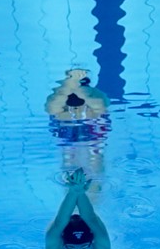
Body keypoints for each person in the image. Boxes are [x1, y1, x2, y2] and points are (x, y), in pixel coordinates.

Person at [45, 69, 111, 201]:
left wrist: (77, 87)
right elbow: (51, 108)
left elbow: (100, 105)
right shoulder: (59, 95)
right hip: (68, 134)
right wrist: (70, 84)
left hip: (93, 133)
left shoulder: (96, 96)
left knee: (94, 163)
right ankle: (74, 204)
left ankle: (93, 200)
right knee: (70, 163)